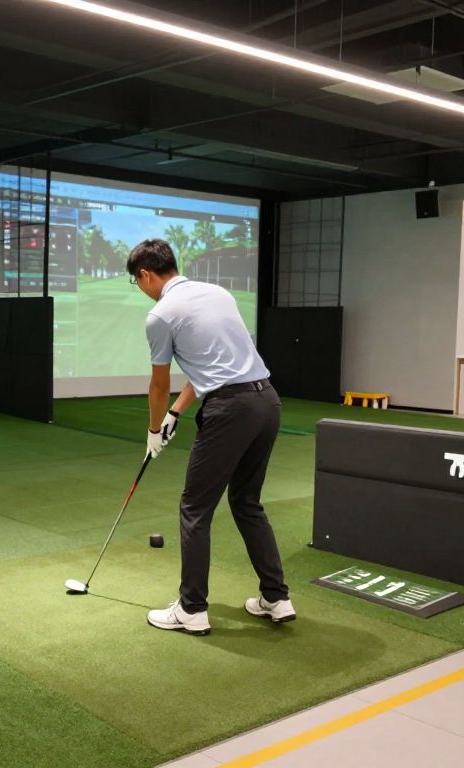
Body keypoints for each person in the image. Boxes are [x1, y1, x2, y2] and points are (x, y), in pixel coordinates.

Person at [127, 238, 294, 636]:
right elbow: (216, 366)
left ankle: (191, 608)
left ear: (146, 274)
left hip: (230, 409)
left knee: (194, 509)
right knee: (246, 501)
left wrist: (153, 429)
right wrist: (175, 414)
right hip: (266, 400)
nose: (140, 288)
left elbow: (158, 383)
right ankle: (276, 597)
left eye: (136, 281)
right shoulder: (217, 293)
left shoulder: (160, 315)